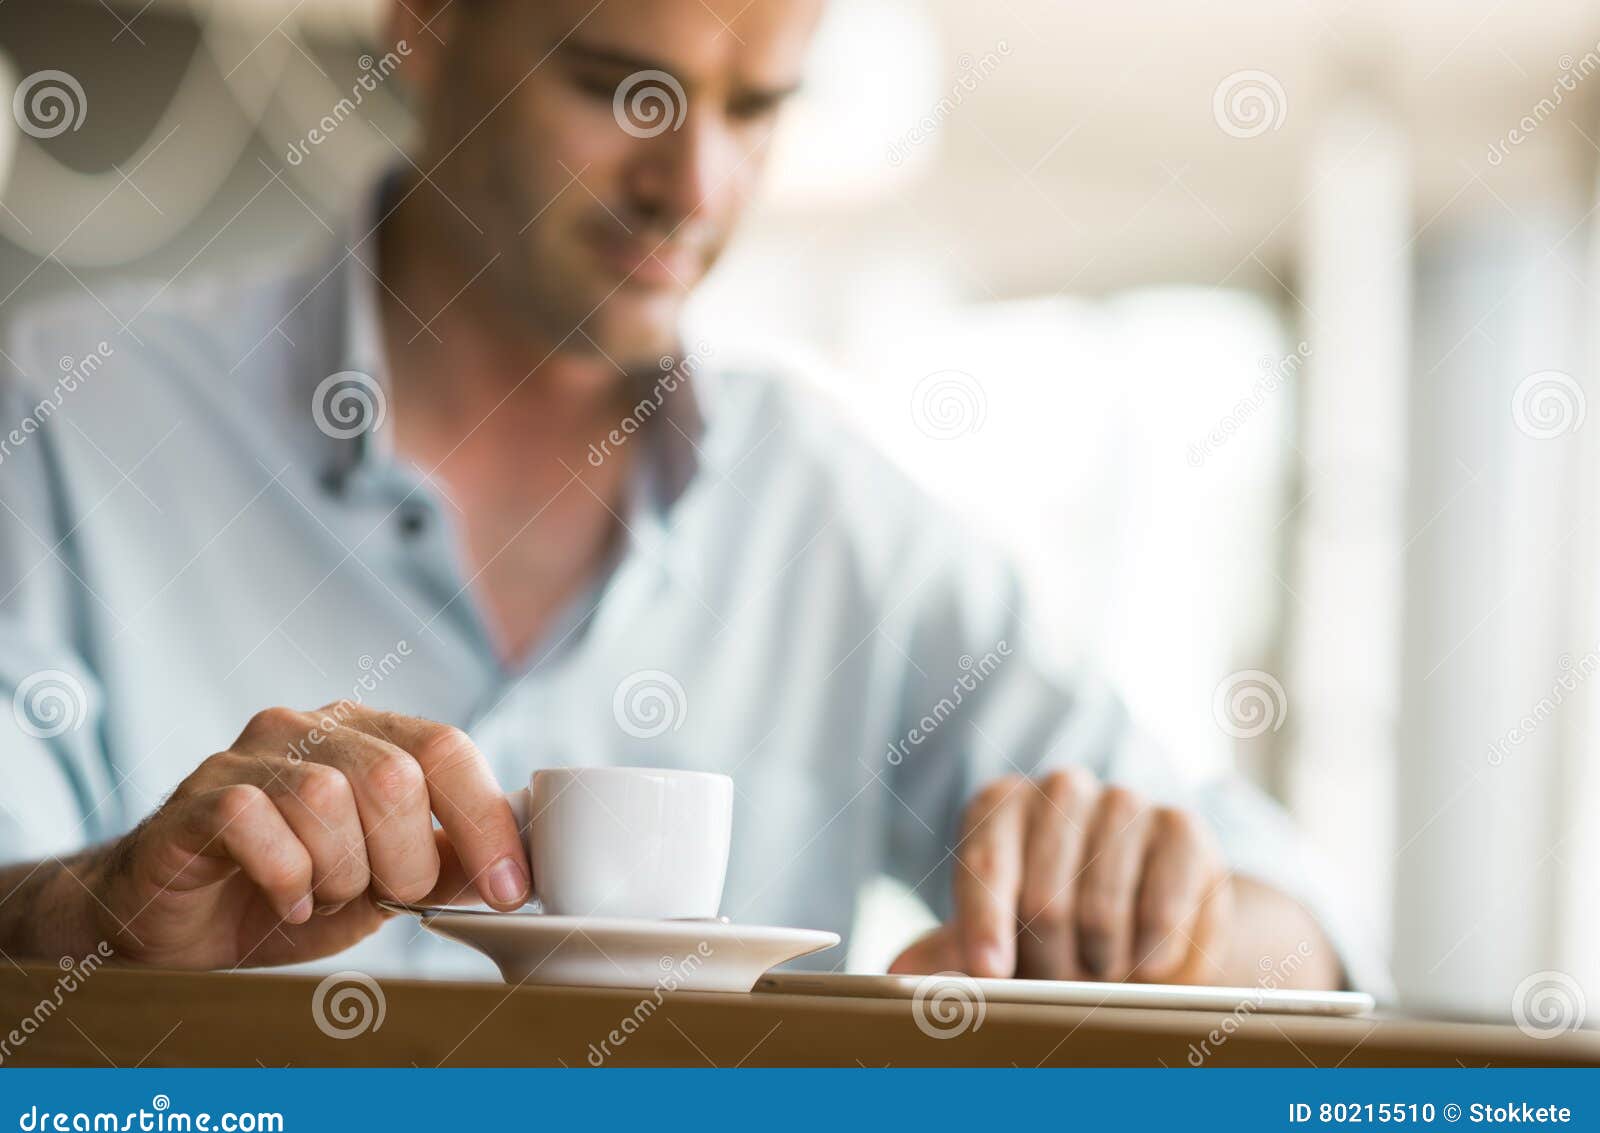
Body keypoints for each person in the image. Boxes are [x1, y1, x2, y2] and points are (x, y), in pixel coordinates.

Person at [0, 0, 1373, 991]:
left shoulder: (843, 524)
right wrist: (87, 913)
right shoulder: (59, 421)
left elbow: (1302, 929)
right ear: (418, 21)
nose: (697, 186)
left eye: (757, 106)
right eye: (617, 87)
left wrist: (1171, 915)